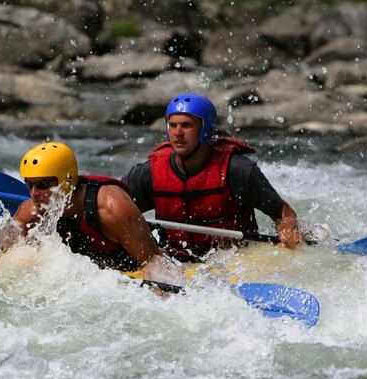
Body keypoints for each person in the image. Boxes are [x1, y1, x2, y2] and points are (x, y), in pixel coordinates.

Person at [123, 93, 303, 262]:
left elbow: (282, 213)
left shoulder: (237, 171)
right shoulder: (149, 174)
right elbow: (113, 209)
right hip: (174, 261)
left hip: (235, 260)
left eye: (186, 125)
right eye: (172, 125)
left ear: (206, 129)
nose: (177, 133)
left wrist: (288, 232)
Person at [5, 141, 182, 283]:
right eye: (30, 184)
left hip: (126, 279)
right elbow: (2, 249)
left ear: (66, 181)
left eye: (43, 184)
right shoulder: (33, 209)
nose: (35, 193)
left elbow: (154, 261)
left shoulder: (112, 206)